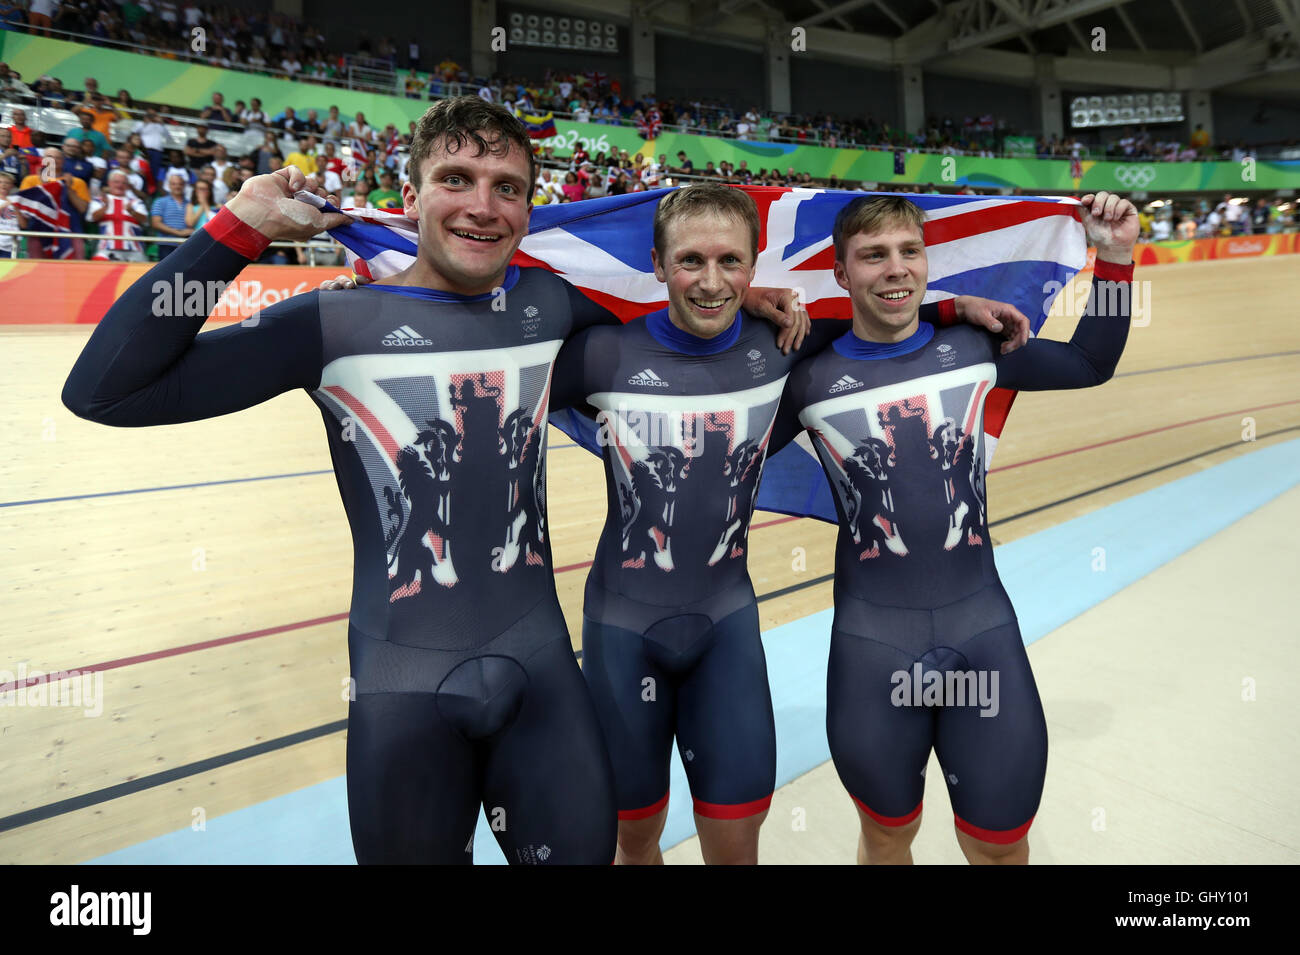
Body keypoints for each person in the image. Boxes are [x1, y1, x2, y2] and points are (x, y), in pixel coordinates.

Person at [63, 97, 783, 865]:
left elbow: (673, 305)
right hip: (403, 698)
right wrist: (241, 228)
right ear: (410, 198)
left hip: (544, 687)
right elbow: (107, 390)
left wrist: (754, 311)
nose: (482, 204)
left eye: (507, 186)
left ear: (528, 210)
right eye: (456, 177)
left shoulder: (546, 305)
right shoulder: (334, 325)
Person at [772, 191, 1137, 865]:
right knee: (887, 836)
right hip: (871, 651)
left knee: (998, 847)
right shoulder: (808, 380)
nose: (896, 269)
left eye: (909, 251)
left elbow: (1092, 363)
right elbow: (712, 386)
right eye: (873, 255)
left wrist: (1114, 258)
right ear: (842, 273)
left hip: (983, 638)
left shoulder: (974, 348)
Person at [88, 169, 149, 261]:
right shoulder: (99, 200)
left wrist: (132, 211)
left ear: (127, 186)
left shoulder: (136, 202)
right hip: (107, 249)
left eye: (123, 183)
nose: (120, 185)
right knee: (98, 265)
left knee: (145, 273)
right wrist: (106, 206)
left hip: (134, 250)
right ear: (109, 183)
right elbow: (92, 218)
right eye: (116, 182)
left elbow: (144, 220)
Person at [149, 172, 192, 258]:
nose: (177, 186)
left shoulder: (189, 203)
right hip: (167, 244)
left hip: (185, 245)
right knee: (168, 271)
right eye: (174, 184)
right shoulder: (160, 201)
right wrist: (178, 233)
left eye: (180, 184)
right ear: (169, 185)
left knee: (181, 271)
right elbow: (156, 223)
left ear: (184, 185)